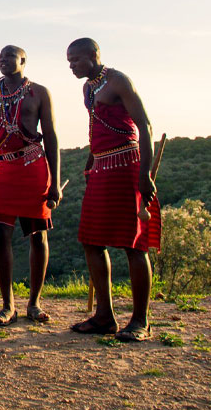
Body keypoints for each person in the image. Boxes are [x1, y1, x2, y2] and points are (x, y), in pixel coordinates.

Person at [65, 38, 160, 342]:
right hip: (101, 168)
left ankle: (141, 321)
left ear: (93, 56)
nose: (71, 66)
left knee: (134, 245)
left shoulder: (118, 81)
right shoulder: (87, 88)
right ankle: (104, 316)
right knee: (91, 240)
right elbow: (96, 128)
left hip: (127, 166)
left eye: (76, 60)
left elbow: (145, 126)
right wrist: (90, 161)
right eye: (68, 61)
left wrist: (145, 174)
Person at [0, 45, 62, 326]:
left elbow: (51, 136)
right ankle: (7, 306)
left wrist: (56, 181)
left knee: (38, 236)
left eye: (8, 57)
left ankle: (34, 303)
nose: (2, 60)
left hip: (33, 167)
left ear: (23, 60)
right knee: (1, 234)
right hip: (1, 169)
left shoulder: (40, 92)